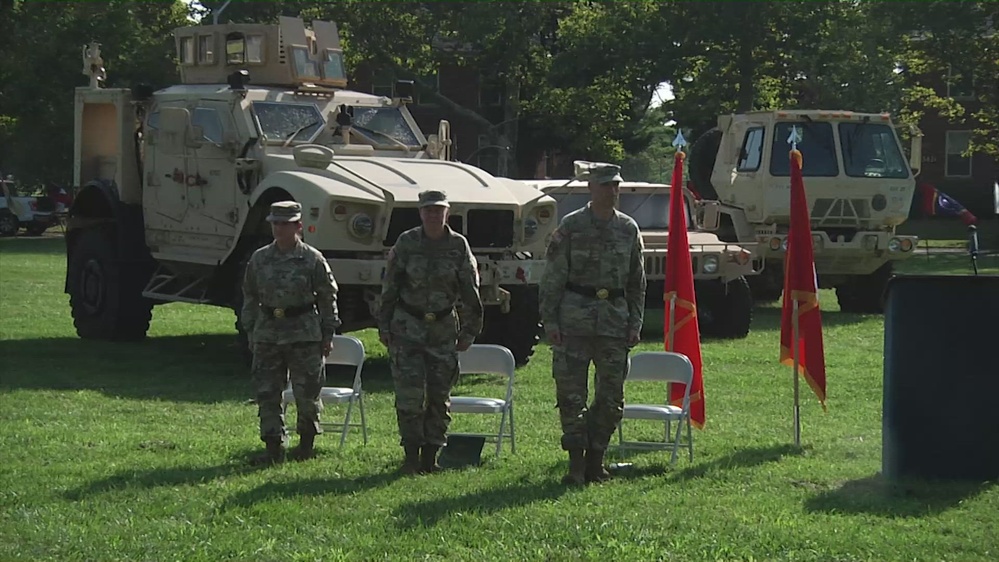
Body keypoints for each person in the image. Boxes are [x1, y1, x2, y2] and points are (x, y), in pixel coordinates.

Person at [539, 161, 647, 486]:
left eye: (615, 185)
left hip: (614, 323)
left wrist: (635, 322)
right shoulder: (571, 227)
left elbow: (637, 282)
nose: (612, 191)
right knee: (572, 395)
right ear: (590, 188)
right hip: (574, 321)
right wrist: (550, 321)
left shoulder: (628, 229)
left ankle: (596, 460)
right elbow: (553, 278)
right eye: (605, 186)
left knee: (611, 398)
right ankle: (575, 464)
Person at [379, 190, 484, 475]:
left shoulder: (458, 246)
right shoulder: (407, 243)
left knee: (439, 395)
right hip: (407, 327)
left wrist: (470, 331)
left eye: (439, 210)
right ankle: (411, 455)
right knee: (410, 395)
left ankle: (431, 455)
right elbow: (390, 285)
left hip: (442, 329)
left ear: (447, 212)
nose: (434, 215)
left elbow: (470, 291)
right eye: (429, 210)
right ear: (420, 213)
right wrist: (384, 324)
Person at [241, 201, 341, 465]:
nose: (279, 228)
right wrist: (250, 328)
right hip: (268, 332)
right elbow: (250, 295)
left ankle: (305, 445)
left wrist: (328, 332)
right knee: (267, 392)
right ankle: (273, 446)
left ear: (298, 226)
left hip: (304, 333)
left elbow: (327, 296)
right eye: (275, 223)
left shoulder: (312, 258)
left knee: (307, 393)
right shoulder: (260, 258)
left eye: (285, 224)